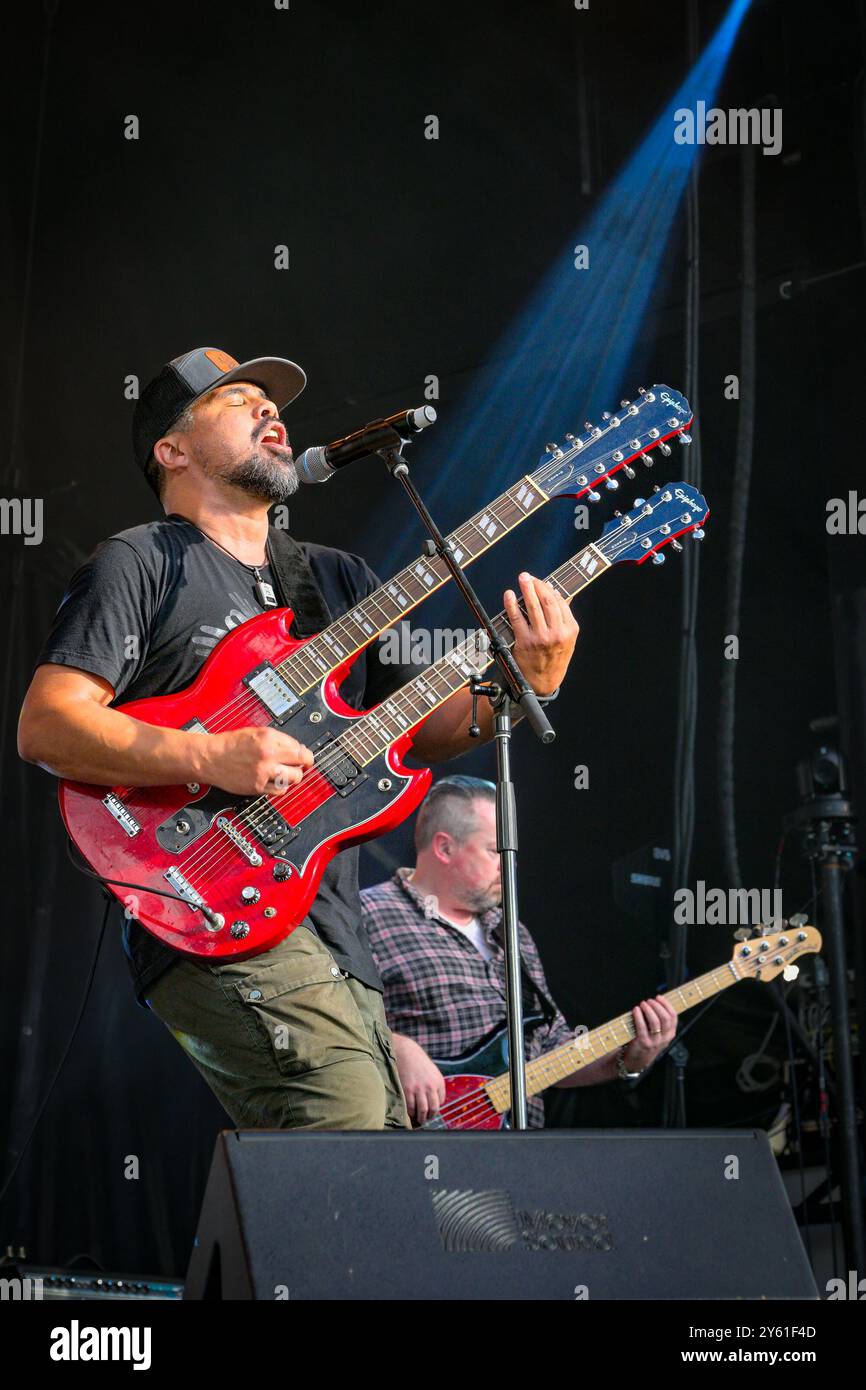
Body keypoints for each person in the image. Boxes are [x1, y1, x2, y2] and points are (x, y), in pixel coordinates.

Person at [17, 346, 580, 1132]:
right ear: (172, 450)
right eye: (235, 399)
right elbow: (48, 724)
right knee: (346, 1126)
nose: (269, 410)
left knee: (378, 1148)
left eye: (273, 402)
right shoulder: (140, 562)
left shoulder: (337, 577)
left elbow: (421, 734)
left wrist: (526, 683)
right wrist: (209, 755)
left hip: (331, 925)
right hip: (203, 899)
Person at [361, 775, 677, 1127]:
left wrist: (628, 1059)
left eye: (510, 853)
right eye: (495, 851)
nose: (508, 865)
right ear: (445, 848)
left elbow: (550, 1051)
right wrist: (396, 1047)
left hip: (519, 1145)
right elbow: (326, 1025)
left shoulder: (512, 932)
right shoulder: (366, 915)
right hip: (418, 1142)